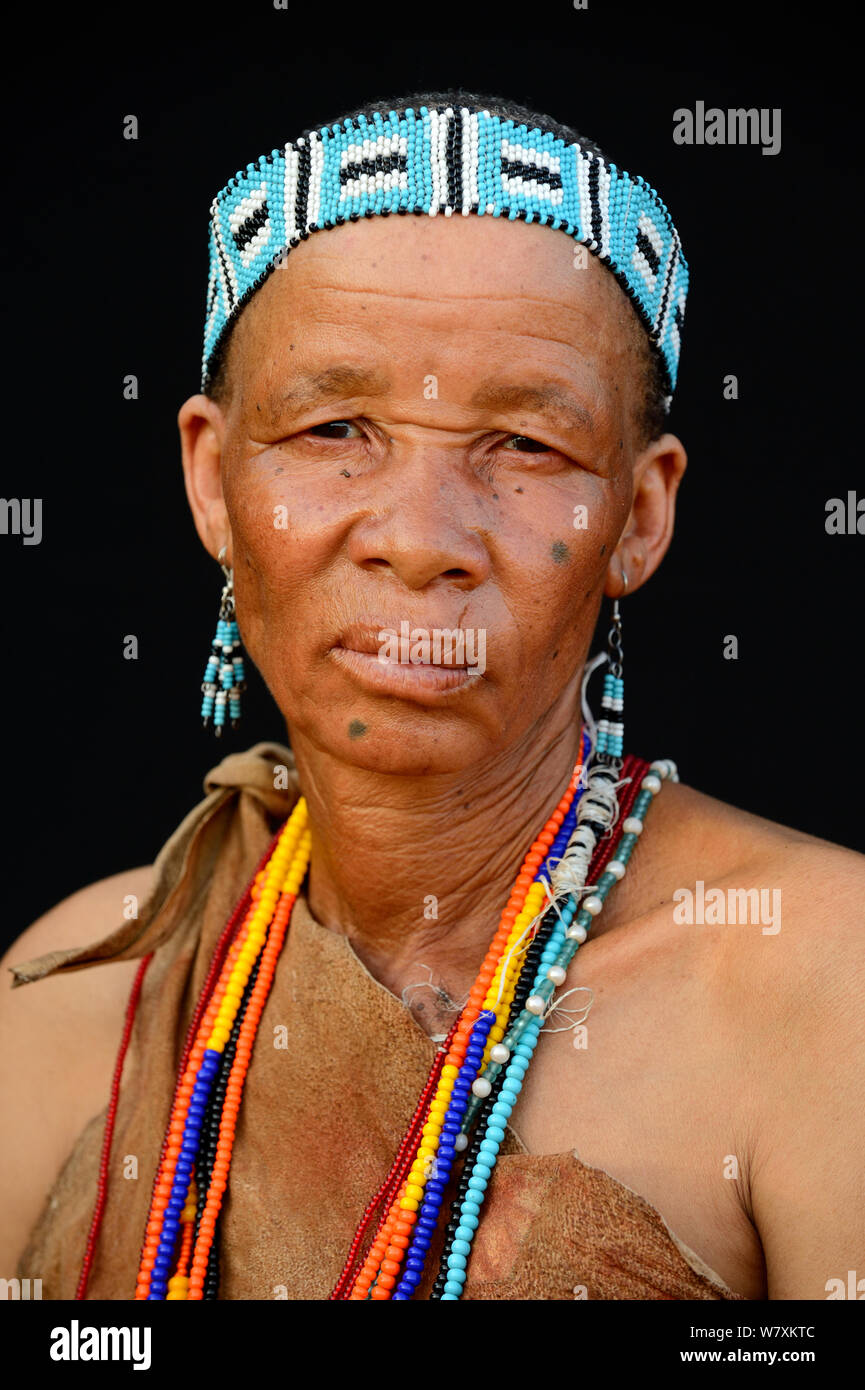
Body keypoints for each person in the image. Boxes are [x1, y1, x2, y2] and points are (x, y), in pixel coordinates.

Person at [1, 90, 862, 1303]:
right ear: (209, 479)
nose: (418, 539)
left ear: (639, 514)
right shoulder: (81, 992)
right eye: (334, 427)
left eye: (525, 446)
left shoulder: (823, 986)